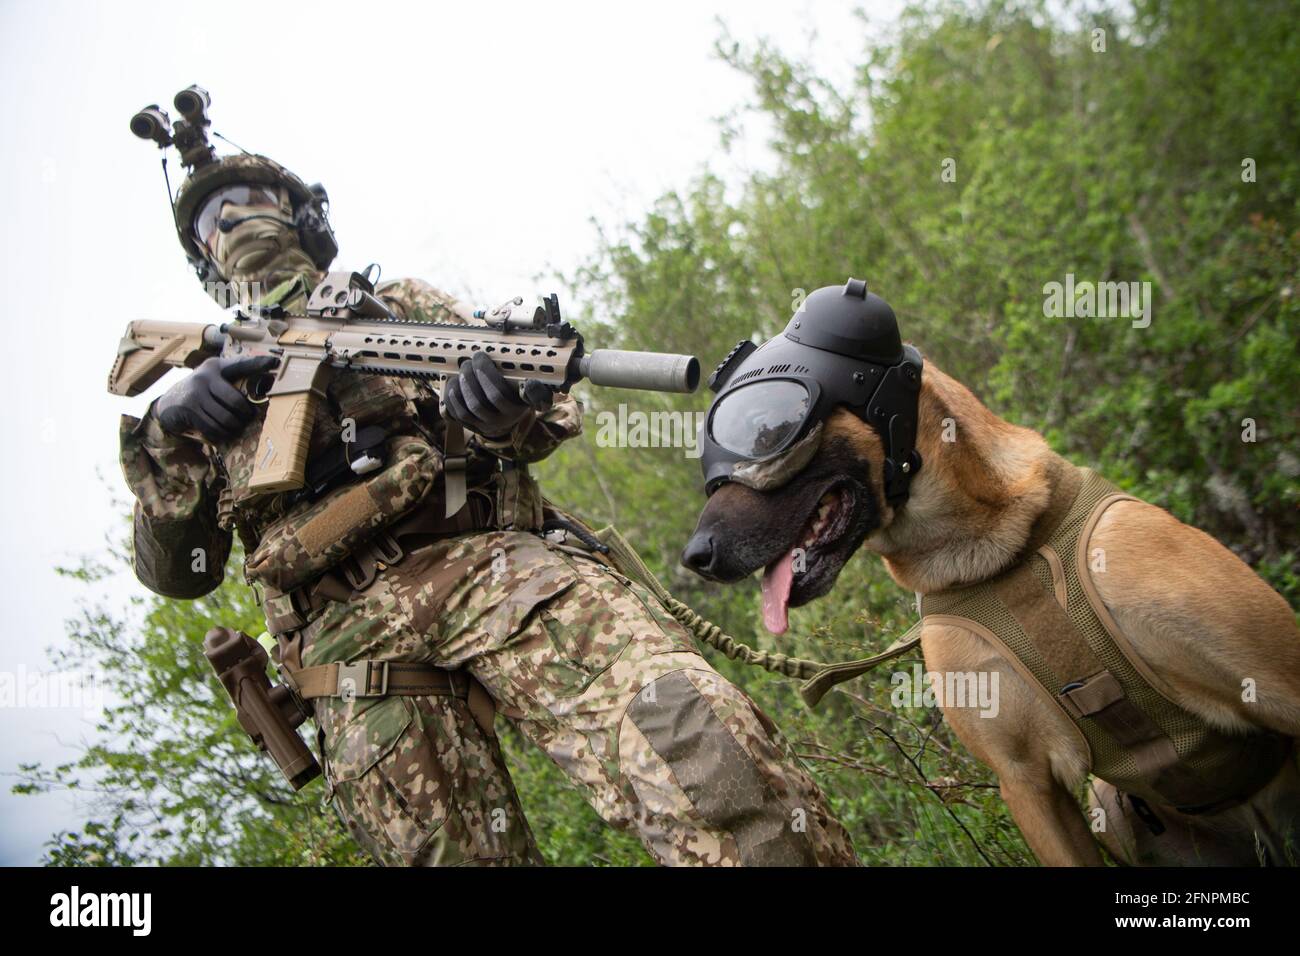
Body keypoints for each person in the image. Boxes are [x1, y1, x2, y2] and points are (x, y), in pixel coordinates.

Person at [120, 99, 856, 866]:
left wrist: (501, 413)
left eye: (256, 201)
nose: (238, 219)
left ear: (304, 218)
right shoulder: (198, 389)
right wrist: (169, 427)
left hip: (499, 572)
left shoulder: (396, 305)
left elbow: (541, 407)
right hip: (343, 654)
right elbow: (174, 571)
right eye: (214, 217)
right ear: (204, 262)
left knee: (703, 753)